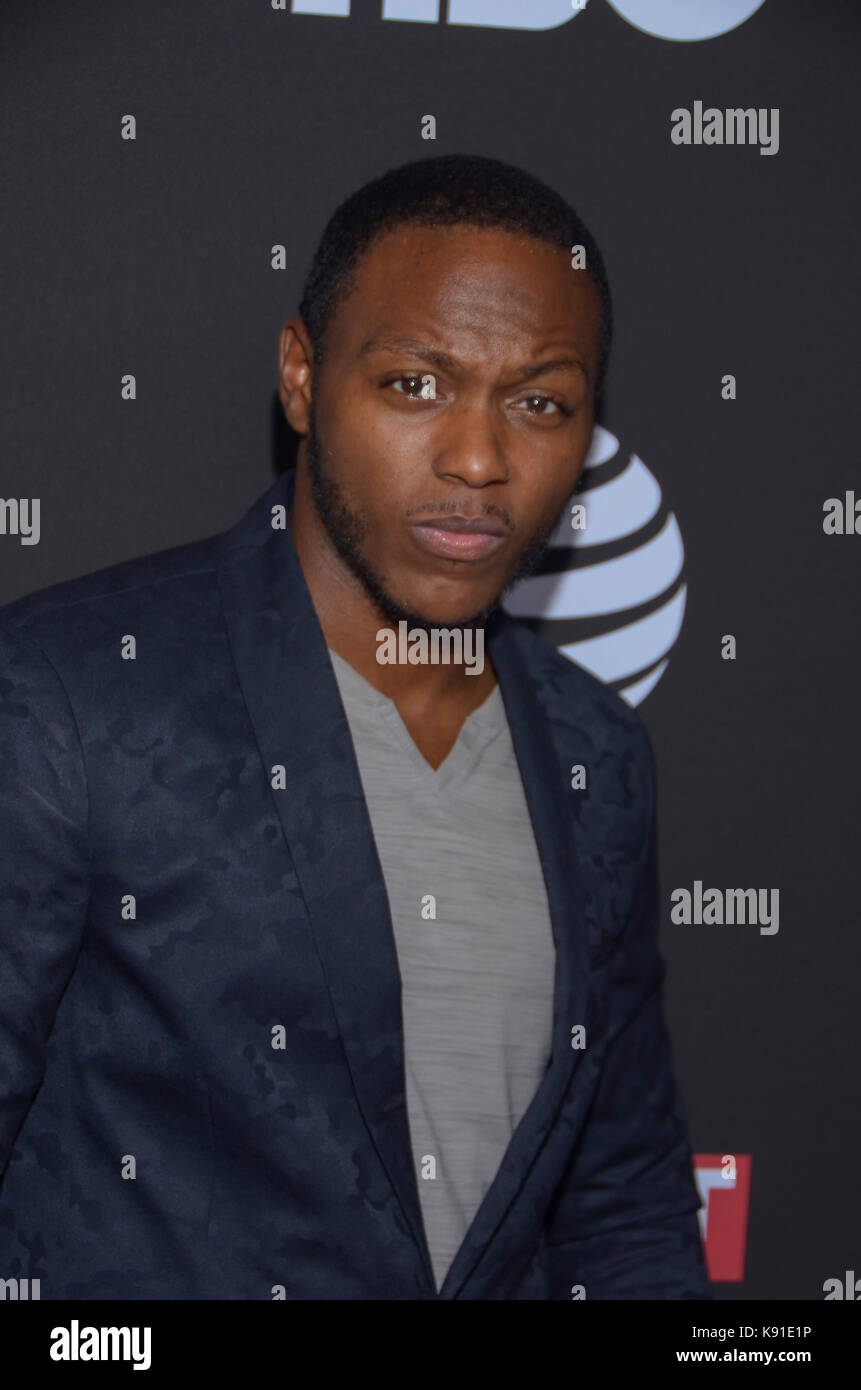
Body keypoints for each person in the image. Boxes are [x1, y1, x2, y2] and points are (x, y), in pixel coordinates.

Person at [0, 154, 709, 1300]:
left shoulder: (596, 755)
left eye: (540, 402)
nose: (479, 459)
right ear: (300, 376)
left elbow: (621, 1199)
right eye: (415, 384)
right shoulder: (67, 695)